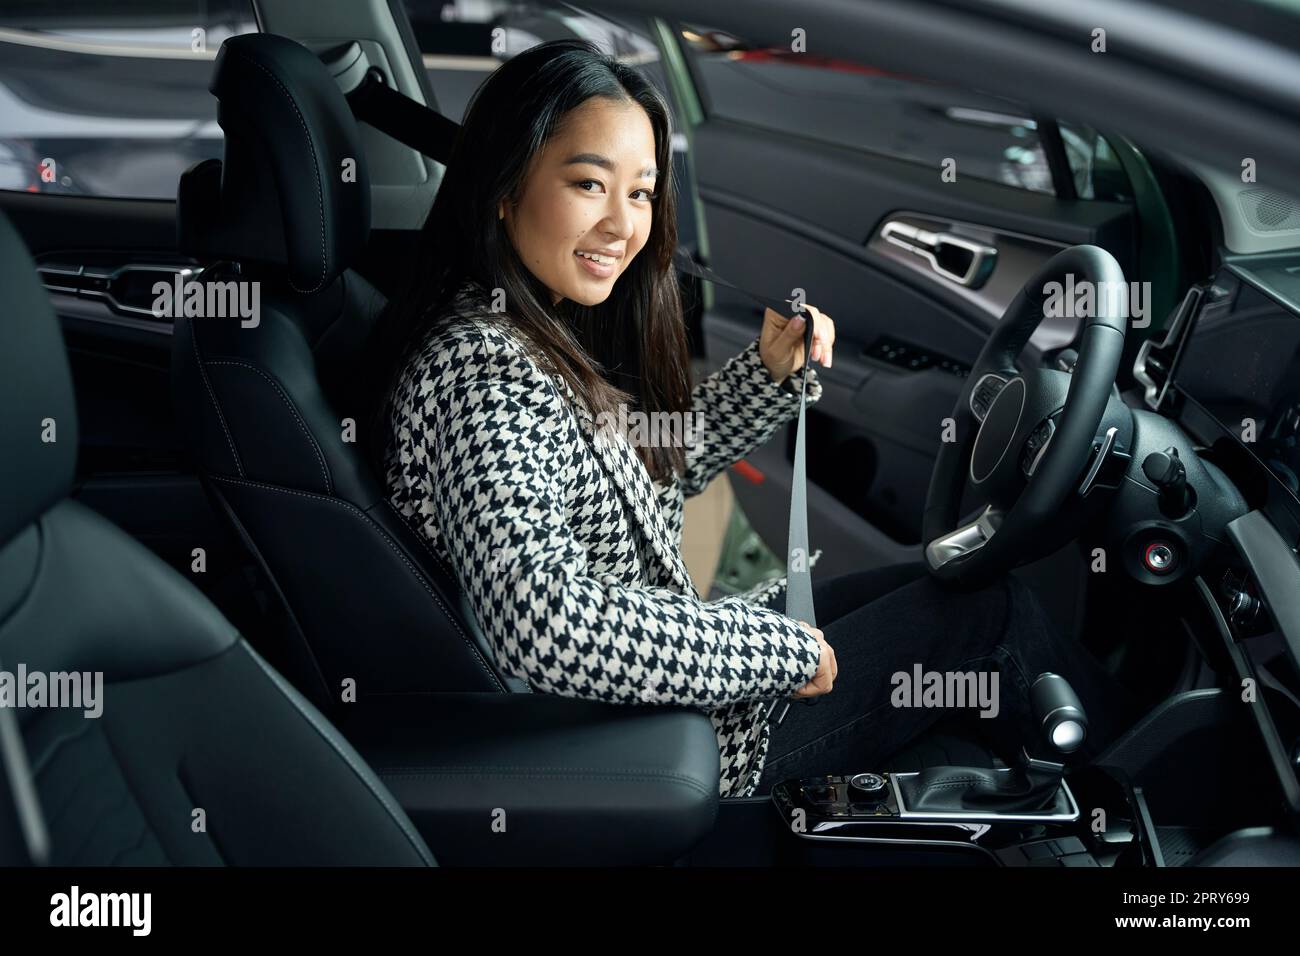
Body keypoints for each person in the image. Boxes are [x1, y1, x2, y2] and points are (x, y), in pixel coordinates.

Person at [363, 38, 1135, 798]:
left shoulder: (528, 329)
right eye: (589, 184)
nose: (623, 226)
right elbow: (541, 622)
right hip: (654, 738)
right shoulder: (485, 371)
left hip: (662, 697)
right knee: (988, 618)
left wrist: (765, 377)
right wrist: (771, 650)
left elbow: (633, 480)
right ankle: (1146, 810)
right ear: (504, 187)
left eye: (640, 192)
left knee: (947, 582)